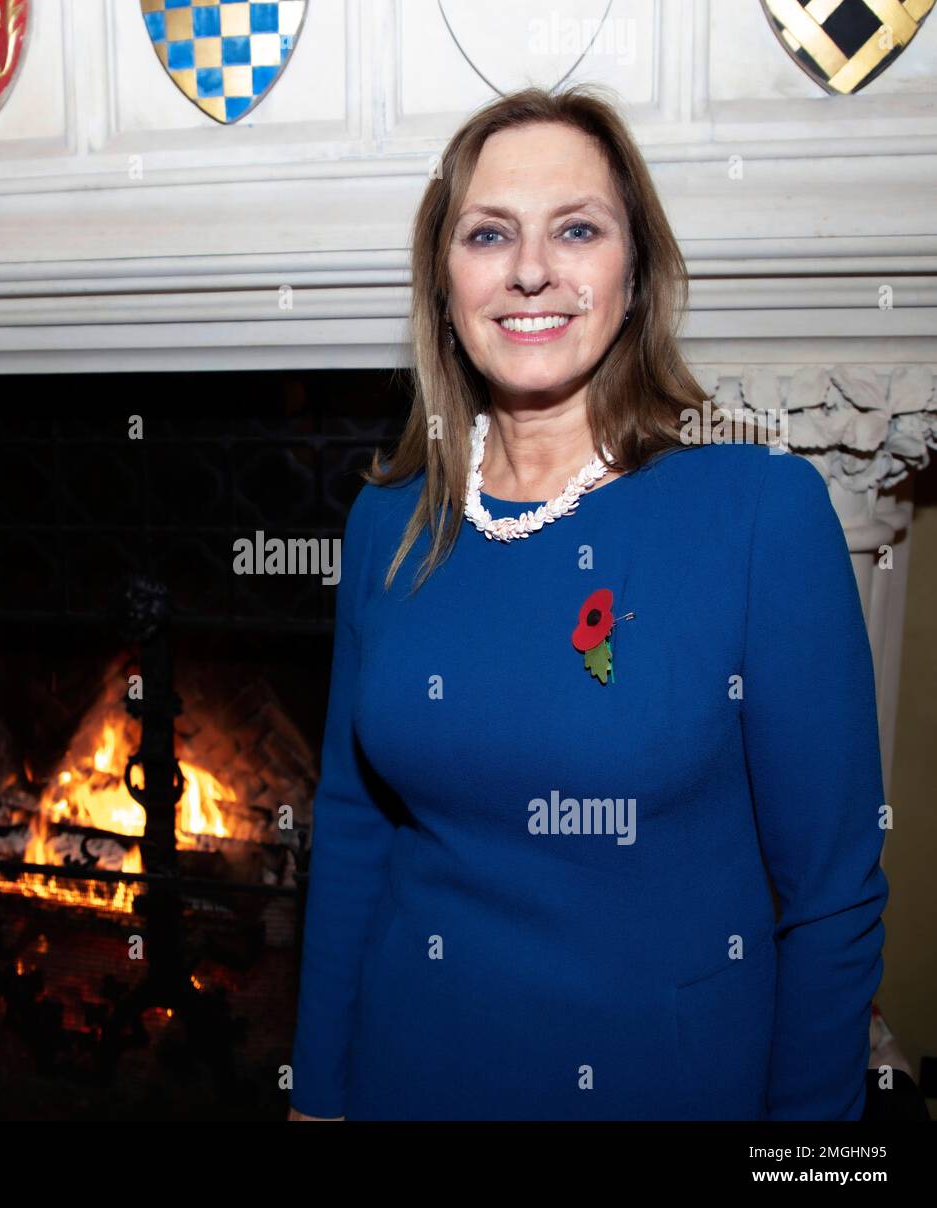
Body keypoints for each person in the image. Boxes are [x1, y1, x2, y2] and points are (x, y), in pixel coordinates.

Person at [287, 85, 888, 1121]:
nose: (531, 270)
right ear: (443, 281)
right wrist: (318, 1093)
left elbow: (832, 897)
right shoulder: (388, 522)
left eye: (576, 229)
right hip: (408, 1071)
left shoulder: (761, 516)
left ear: (636, 273)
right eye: (488, 234)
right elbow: (351, 825)